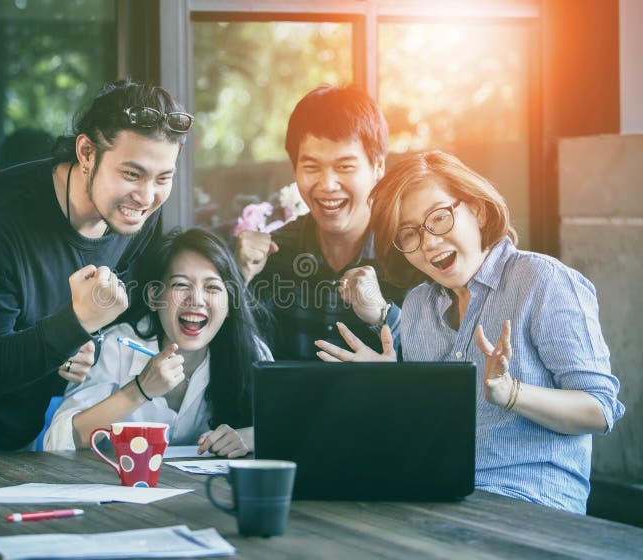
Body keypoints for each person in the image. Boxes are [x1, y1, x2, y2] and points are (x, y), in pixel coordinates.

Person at [0, 79, 194, 454]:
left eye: (163, 178)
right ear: (86, 152)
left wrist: (80, 344)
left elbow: (99, 315)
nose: (146, 197)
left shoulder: (134, 216)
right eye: (131, 174)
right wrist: (76, 323)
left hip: (25, 413)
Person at [315, 151, 625, 514]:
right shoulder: (417, 306)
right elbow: (425, 433)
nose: (428, 243)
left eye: (440, 218)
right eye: (409, 234)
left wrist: (511, 393)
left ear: (477, 209)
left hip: (531, 504)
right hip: (437, 496)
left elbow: (600, 409)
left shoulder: (542, 282)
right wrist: (390, 387)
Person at [44, 228, 272, 457]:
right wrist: (140, 390)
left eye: (212, 287)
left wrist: (251, 436)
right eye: (181, 285)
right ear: (154, 297)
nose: (197, 300)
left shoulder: (250, 352)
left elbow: (293, 426)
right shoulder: (118, 346)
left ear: (230, 301)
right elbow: (58, 441)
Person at [235, 84, 403, 360]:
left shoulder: (408, 258)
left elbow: (435, 372)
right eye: (311, 167)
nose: (327, 185)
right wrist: (237, 277)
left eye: (345, 167)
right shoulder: (271, 258)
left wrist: (383, 315)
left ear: (378, 167)